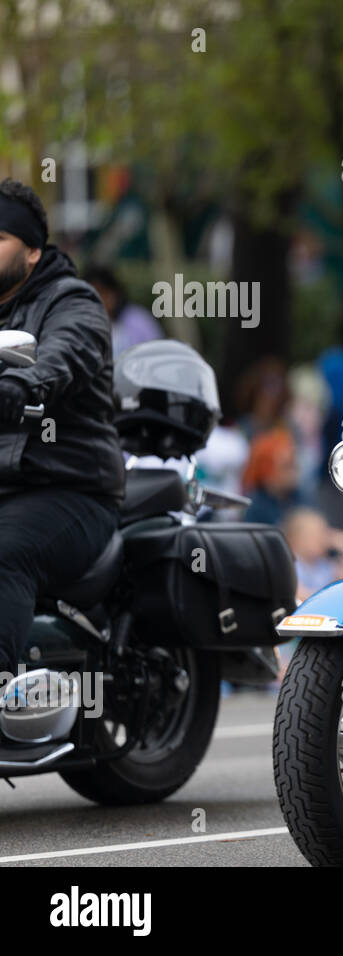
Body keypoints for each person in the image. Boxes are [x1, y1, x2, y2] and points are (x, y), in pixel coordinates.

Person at [0, 179, 124, 701]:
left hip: (70, 491)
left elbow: (63, 357)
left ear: (31, 251)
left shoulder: (72, 302)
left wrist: (18, 385)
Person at [83, 265, 164, 355]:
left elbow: (157, 354)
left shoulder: (139, 320)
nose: (100, 299)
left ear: (115, 293)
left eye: (103, 293)